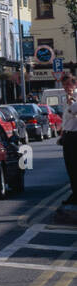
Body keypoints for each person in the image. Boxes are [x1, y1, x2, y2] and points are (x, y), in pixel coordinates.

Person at [60, 73, 77, 206]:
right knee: (70, 167)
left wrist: (72, 103)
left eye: (69, 84)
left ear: (75, 84)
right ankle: (74, 193)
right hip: (68, 136)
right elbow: (66, 119)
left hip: (75, 136)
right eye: (65, 85)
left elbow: (74, 111)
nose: (67, 87)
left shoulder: (75, 97)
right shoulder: (67, 98)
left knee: (75, 166)